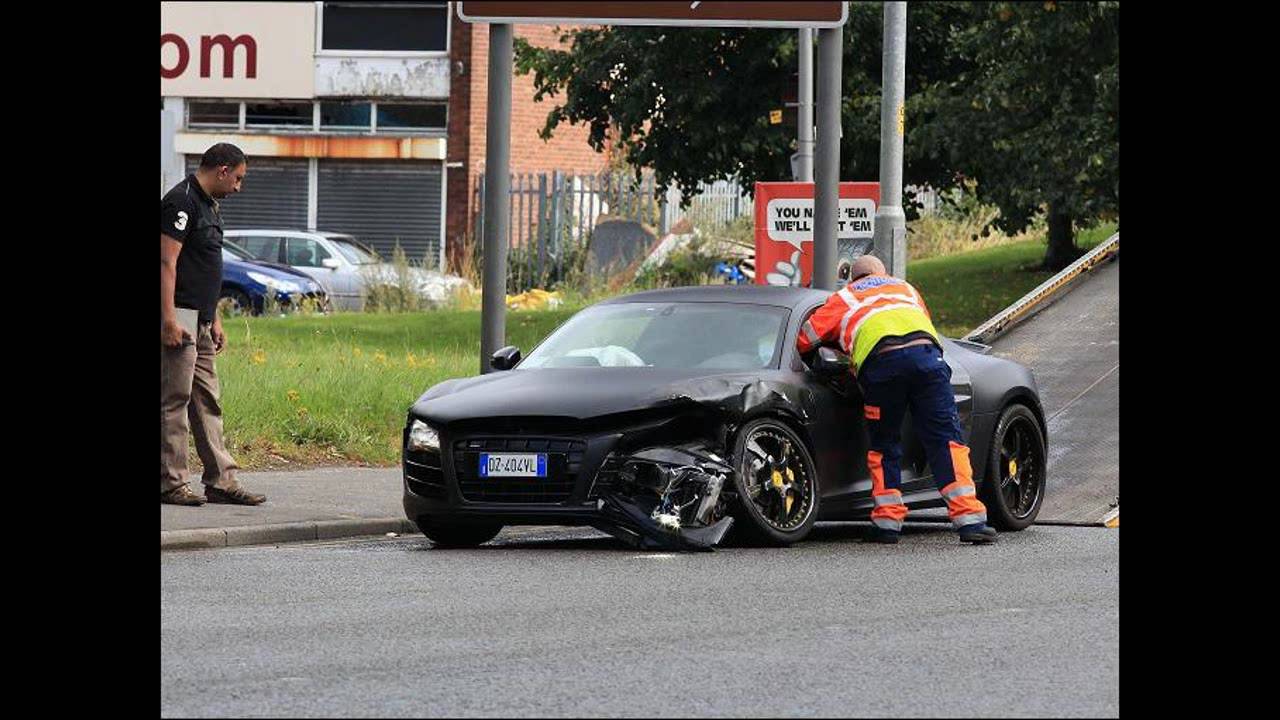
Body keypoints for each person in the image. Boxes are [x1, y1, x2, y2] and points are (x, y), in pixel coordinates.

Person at [796, 255, 996, 544]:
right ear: (883, 273)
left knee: (885, 444)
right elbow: (923, 324)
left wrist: (838, 348)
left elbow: (806, 338)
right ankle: (970, 521)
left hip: (882, 367)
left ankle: (887, 524)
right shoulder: (905, 288)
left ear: (853, 278)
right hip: (928, 362)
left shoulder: (845, 296)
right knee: (946, 440)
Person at [161, 143, 266, 506]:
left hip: (202, 319)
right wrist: (168, 320)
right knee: (174, 401)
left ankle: (221, 481)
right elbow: (166, 263)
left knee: (207, 401)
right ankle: (171, 483)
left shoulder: (208, 205)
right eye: (237, 178)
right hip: (180, 316)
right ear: (222, 170)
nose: (238, 186)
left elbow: (206, 266)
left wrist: (215, 317)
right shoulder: (181, 202)